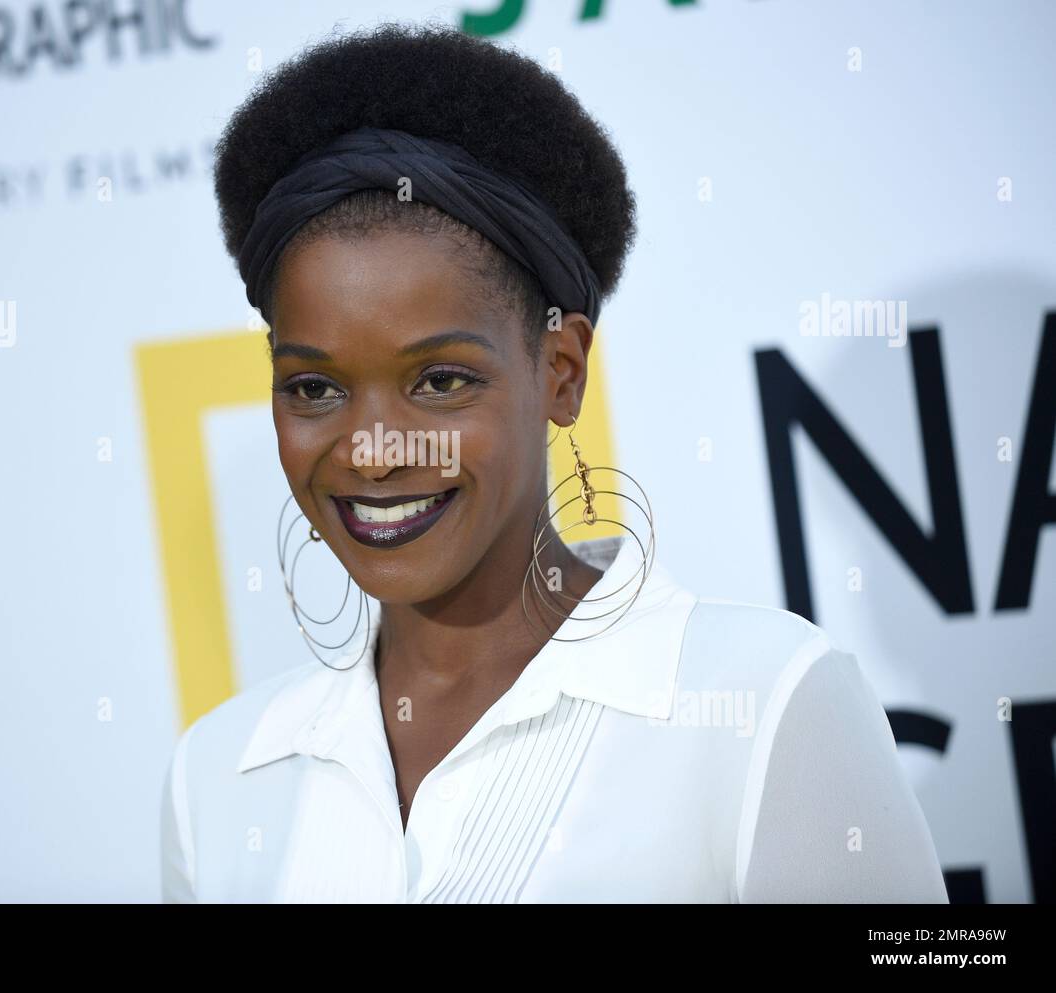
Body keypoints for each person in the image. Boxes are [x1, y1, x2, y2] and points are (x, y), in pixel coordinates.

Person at [161, 21, 949, 903]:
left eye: (439, 380)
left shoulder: (762, 701)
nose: (373, 450)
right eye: (313, 389)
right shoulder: (220, 779)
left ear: (561, 371)